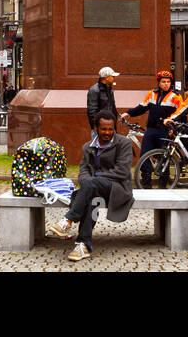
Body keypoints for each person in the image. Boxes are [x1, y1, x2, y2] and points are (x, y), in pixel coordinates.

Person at [46, 110, 135, 261]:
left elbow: (122, 171)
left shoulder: (124, 143)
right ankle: (83, 244)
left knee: (91, 184)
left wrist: (93, 180)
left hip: (117, 188)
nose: (107, 132)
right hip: (93, 190)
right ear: (95, 129)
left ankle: (68, 220)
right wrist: (89, 182)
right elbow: (83, 171)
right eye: (103, 129)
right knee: (91, 201)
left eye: (110, 129)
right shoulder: (88, 147)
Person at [124, 71, 183, 185]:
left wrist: (174, 128)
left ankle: (163, 186)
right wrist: (129, 113)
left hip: (165, 131)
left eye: (168, 82)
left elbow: (181, 113)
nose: (166, 84)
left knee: (163, 158)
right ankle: (146, 184)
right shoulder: (152, 94)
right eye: (163, 82)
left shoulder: (176, 96)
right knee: (144, 157)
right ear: (159, 83)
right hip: (150, 130)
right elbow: (142, 107)